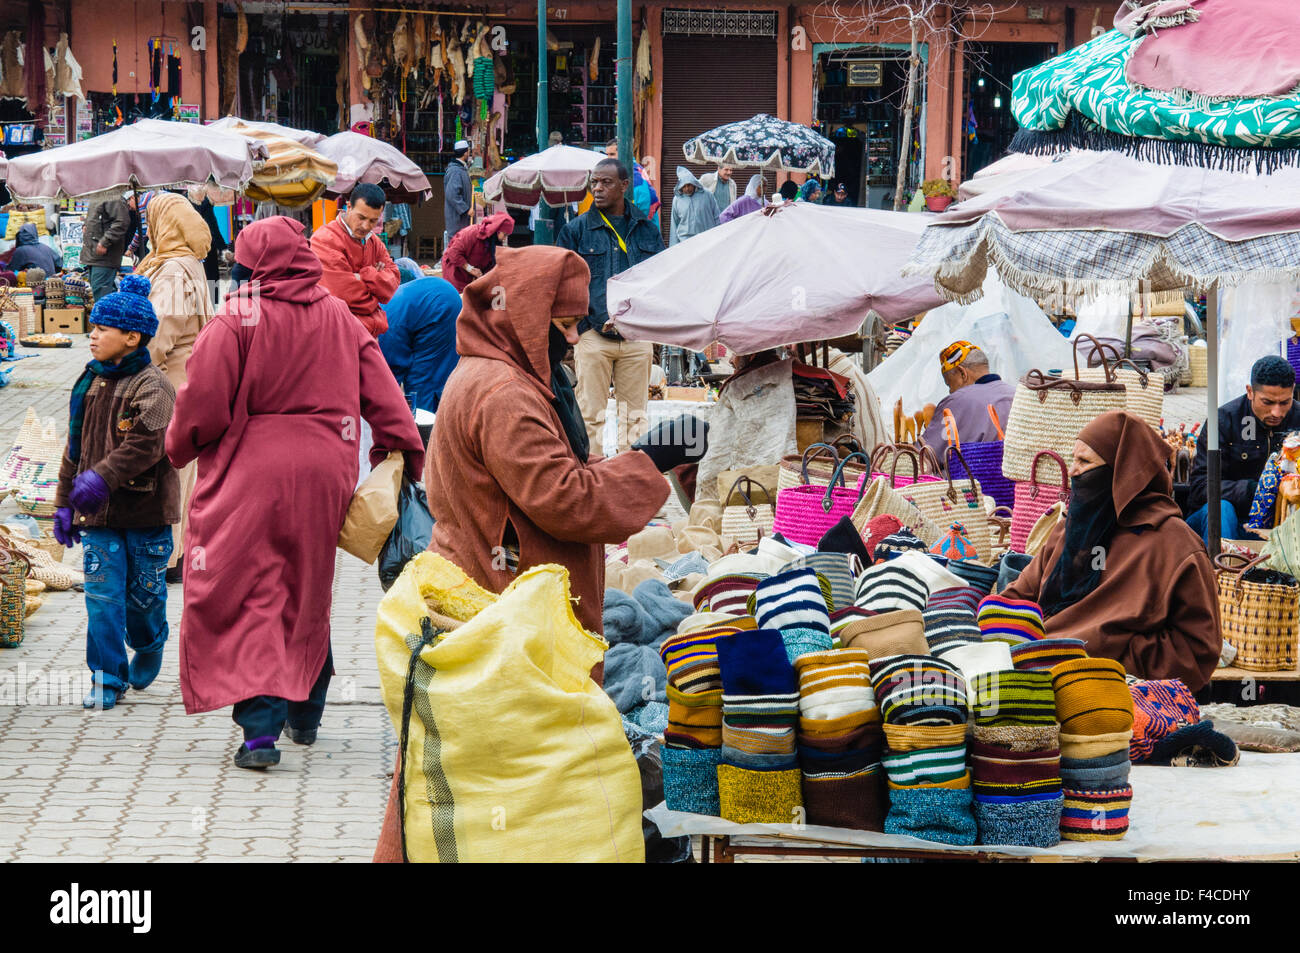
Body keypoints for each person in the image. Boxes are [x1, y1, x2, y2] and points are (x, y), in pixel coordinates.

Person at [372, 245, 707, 862]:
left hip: (495, 595)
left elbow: (560, 478)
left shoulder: (505, 377)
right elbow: (564, 498)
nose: (575, 336)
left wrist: (634, 465)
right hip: (501, 603)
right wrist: (652, 461)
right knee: (511, 772)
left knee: (474, 768)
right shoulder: (504, 393)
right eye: (564, 325)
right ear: (525, 320)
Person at [166, 217, 423, 770]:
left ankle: (260, 731)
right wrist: (400, 453)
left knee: (254, 588)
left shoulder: (237, 315)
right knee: (306, 585)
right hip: (326, 469)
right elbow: (381, 393)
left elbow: (202, 404)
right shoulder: (337, 312)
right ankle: (305, 711)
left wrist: (178, 448)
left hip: (250, 471)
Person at [1001, 410, 1220, 691]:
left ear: (1121, 473)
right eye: (1073, 459)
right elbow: (1019, 595)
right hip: (1035, 671)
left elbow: (1197, 649)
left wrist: (1113, 656)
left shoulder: (1175, 545)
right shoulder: (1072, 529)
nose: (1073, 471)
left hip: (1112, 693)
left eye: (1084, 462)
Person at [51, 275, 179, 710]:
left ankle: (148, 643)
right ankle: (106, 676)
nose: (92, 335)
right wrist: (64, 502)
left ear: (131, 336)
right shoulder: (88, 381)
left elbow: (147, 444)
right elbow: (74, 447)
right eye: (93, 327)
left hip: (145, 514)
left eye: (102, 329)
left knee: (143, 598)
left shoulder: (154, 385)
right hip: (97, 518)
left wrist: (100, 477)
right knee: (101, 598)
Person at [556, 157, 665, 453]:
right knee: (589, 416)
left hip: (635, 337)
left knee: (634, 418)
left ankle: (627, 482)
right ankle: (590, 479)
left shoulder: (646, 229)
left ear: (624, 185)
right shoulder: (576, 230)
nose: (598, 188)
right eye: (594, 183)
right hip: (593, 337)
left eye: (606, 182)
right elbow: (561, 282)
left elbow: (660, 278)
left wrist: (649, 327)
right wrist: (580, 328)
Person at [135, 192, 215, 584]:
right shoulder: (189, 263)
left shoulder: (171, 272)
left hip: (168, 385)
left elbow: (157, 336)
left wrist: (132, 379)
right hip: (189, 385)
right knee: (183, 476)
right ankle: (177, 556)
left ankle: (165, 559)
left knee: (167, 477)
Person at [1188, 355, 1300, 543]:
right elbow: (1200, 487)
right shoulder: (1223, 420)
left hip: (1282, 527)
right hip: (1226, 522)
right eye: (1268, 402)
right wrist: (1255, 491)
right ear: (1250, 392)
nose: (1277, 412)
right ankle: (1222, 570)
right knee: (1221, 508)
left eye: (1284, 402)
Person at [310, 183, 399, 337]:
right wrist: (376, 290)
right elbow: (343, 294)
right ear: (348, 207)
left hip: (370, 334)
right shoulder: (325, 240)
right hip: (338, 335)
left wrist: (364, 275)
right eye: (361, 217)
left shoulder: (374, 241)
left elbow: (392, 284)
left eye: (373, 221)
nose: (365, 226)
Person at [378, 273, 462, 413]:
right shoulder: (379, 319)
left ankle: (426, 430)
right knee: (433, 378)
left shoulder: (385, 330)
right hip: (437, 295)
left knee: (422, 382)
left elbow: (390, 376)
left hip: (440, 306)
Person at [920, 341, 1016, 462]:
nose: (950, 391)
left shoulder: (957, 401)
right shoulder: (1015, 394)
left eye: (949, 384)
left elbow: (926, 455)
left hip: (976, 479)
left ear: (962, 373)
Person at [440, 210, 514, 292]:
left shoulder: (493, 242)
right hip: (455, 268)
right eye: (505, 234)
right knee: (458, 297)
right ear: (497, 230)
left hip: (469, 273)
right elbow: (453, 252)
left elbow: (490, 263)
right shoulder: (471, 233)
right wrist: (470, 268)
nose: (505, 238)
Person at [81, 194, 135, 303]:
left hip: (104, 257)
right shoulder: (100, 196)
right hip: (95, 255)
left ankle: (107, 319)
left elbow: (121, 222)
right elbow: (97, 219)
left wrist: (105, 242)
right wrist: (86, 226)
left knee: (102, 293)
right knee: (100, 290)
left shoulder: (112, 197)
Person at [603, 139, 661, 228]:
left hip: (641, 231)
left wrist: (632, 224)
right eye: (607, 154)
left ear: (623, 153)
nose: (608, 158)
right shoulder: (629, 169)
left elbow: (644, 201)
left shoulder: (632, 172)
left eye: (612, 154)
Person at [668, 166, 721, 246]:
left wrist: (719, 238)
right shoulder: (677, 200)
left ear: (694, 183)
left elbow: (717, 217)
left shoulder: (707, 195)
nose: (687, 189)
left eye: (689, 185)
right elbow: (674, 224)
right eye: (684, 186)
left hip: (708, 240)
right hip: (686, 243)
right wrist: (673, 247)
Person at [443, 139, 473, 246]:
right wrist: (465, 210)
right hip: (457, 218)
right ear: (465, 153)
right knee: (457, 244)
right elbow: (452, 194)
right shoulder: (455, 171)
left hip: (460, 218)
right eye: (468, 151)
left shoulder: (460, 169)